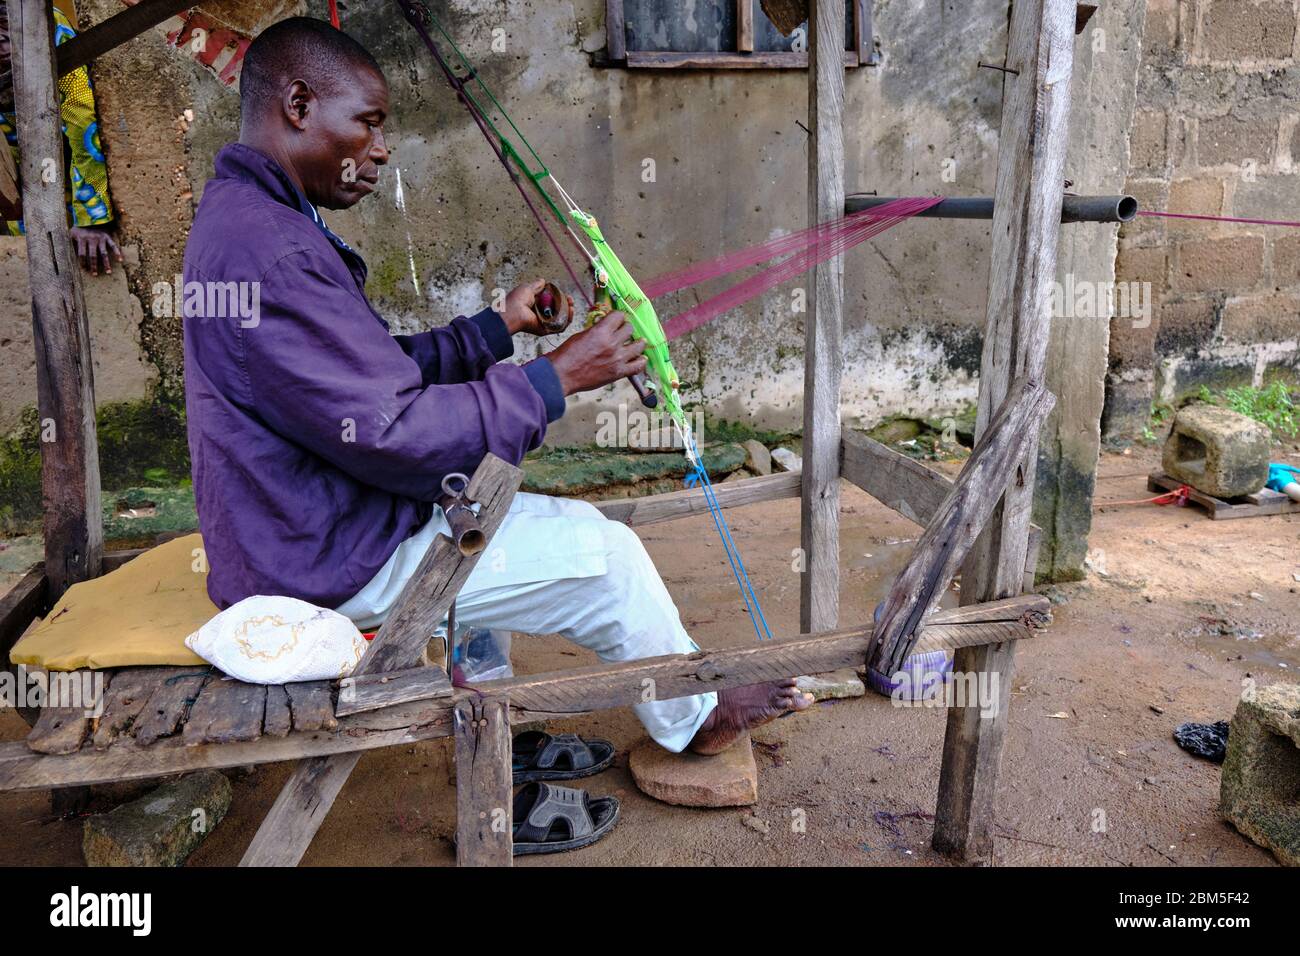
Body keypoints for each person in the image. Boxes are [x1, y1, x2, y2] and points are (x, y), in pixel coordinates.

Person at [182, 17, 810, 759]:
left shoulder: (251, 223)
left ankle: (489, 711)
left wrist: (496, 328)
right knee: (609, 557)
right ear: (297, 104)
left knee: (492, 503)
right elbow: (393, 432)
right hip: (321, 563)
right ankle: (695, 721)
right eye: (369, 124)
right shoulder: (274, 250)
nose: (380, 149)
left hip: (300, 533)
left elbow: (362, 375)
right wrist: (558, 377)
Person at [0, 1, 124, 274]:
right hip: (21, 198)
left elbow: (83, 124)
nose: (1, 37)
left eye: (5, 21)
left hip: (68, 178)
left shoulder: (47, 25)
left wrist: (93, 218)